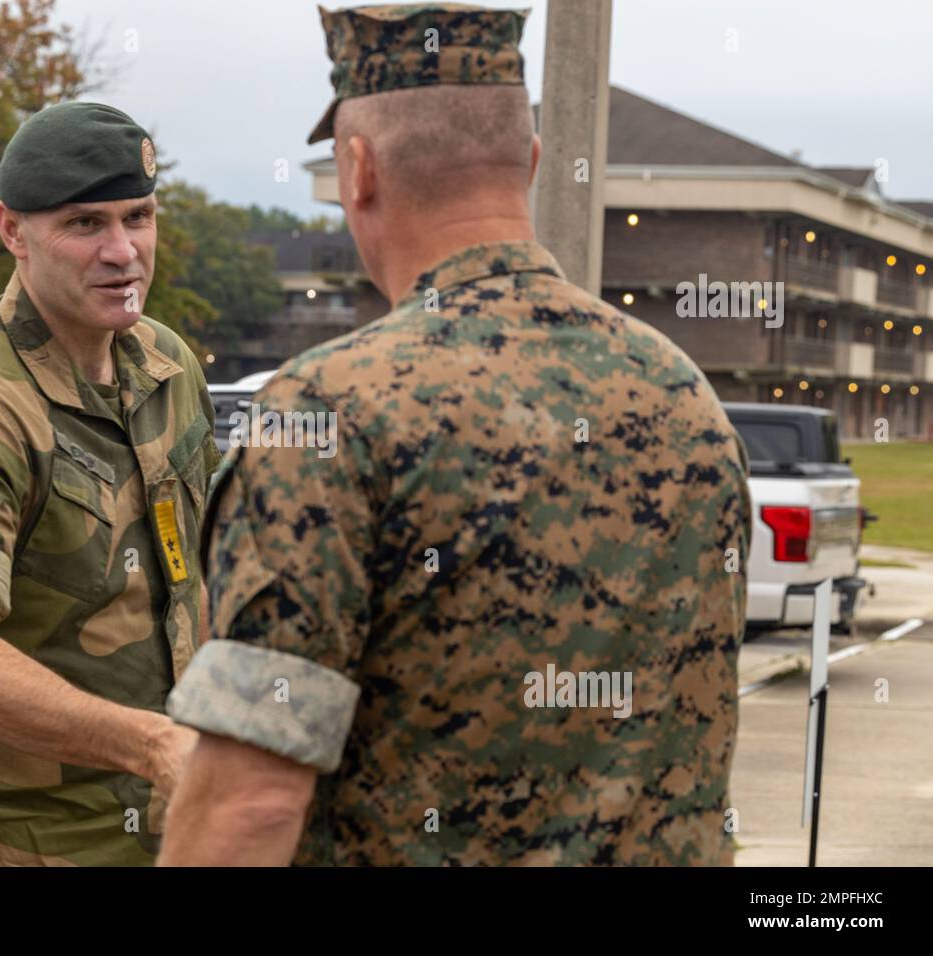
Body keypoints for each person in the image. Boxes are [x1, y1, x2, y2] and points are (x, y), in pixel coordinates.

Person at [159, 3, 751, 866]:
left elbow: (248, 805)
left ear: (357, 170)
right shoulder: (685, 396)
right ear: (533, 161)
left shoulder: (328, 415)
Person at [0, 101, 218, 866]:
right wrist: (160, 746)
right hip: (13, 840)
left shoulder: (165, 366)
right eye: (86, 224)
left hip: (162, 827)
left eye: (140, 216)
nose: (123, 252)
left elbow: (199, 570)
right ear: (12, 231)